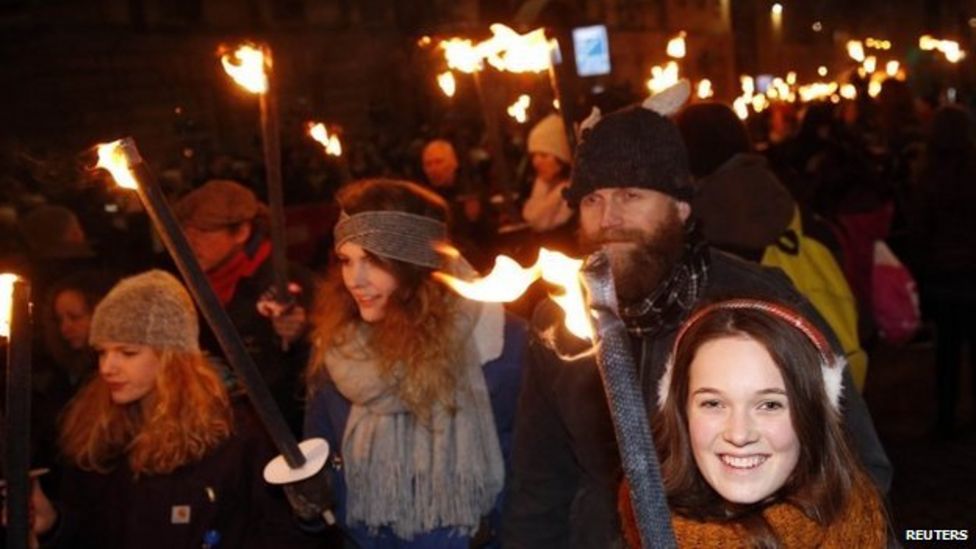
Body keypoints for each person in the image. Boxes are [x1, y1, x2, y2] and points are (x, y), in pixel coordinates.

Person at [502, 93, 891, 548]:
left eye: (631, 195)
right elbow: (539, 481)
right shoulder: (561, 323)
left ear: (681, 207)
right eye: (592, 199)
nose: (609, 218)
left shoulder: (757, 300)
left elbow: (859, 461)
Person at [303, 179, 524, 547]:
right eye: (346, 260)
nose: (354, 280)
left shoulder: (498, 342)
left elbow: (540, 472)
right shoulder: (338, 349)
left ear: (416, 264)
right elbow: (320, 455)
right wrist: (311, 500)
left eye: (373, 260)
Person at [25, 270, 316, 548]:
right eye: (102, 351)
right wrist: (54, 523)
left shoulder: (233, 436)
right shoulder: (98, 437)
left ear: (170, 358)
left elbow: (277, 532)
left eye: (128, 352)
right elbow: (93, 534)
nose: (107, 368)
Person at [619, 299, 888, 547]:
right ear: (681, 413)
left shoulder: (860, 520)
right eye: (713, 404)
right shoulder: (638, 521)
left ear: (812, 415)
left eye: (769, 405)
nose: (739, 434)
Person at [174, 179, 313, 433]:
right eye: (186, 232)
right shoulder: (190, 287)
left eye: (203, 232)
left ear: (241, 232)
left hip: (281, 430)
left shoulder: (285, 281)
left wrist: (299, 334)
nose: (190, 242)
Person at [912, 105, 976, 437]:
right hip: (971, 270)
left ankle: (946, 415)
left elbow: (920, 229)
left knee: (947, 349)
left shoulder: (928, 177)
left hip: (943, 273)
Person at [520, 113, 576, 254]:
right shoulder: (537, 187)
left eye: (544, 155)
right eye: (534, 155)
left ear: (561, 160)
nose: (536, 162)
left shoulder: (575, 197)